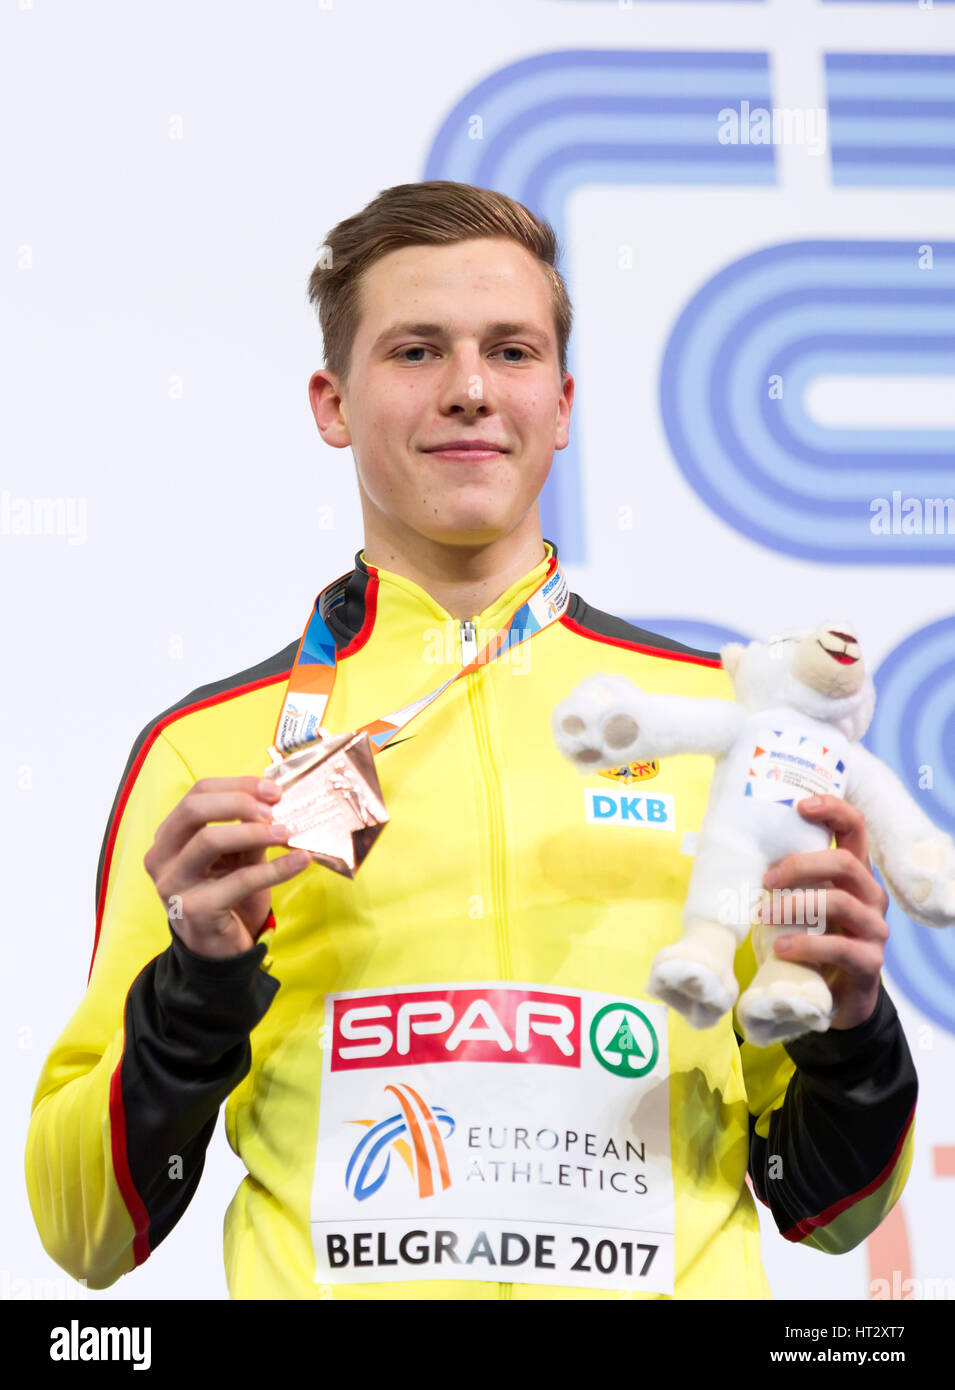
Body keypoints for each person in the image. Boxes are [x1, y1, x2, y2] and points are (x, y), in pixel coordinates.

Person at [25, 180, 916, 1300]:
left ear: (563, 399)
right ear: (331, 400)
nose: (468, 390)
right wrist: (194, 989)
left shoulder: (723, 725)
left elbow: (832, 1208)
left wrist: (852, 1027)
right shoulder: (212, 752)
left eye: (510, 350)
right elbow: (83, 1229)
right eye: (414, 351)